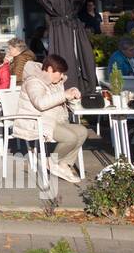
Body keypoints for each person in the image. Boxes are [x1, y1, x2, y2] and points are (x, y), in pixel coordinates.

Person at [10, 54, 86, 184]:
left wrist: (73, 95)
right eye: (60, 72)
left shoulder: (55, 82)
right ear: (50, 69)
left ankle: (63, 164)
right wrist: (64, 95)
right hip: (36, 122)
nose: (62, 76)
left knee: (82, 131)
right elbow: (41, 103)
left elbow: (64, 102)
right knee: (70, 138)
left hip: (53, 121)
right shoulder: (33, 82)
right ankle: (53, 162)